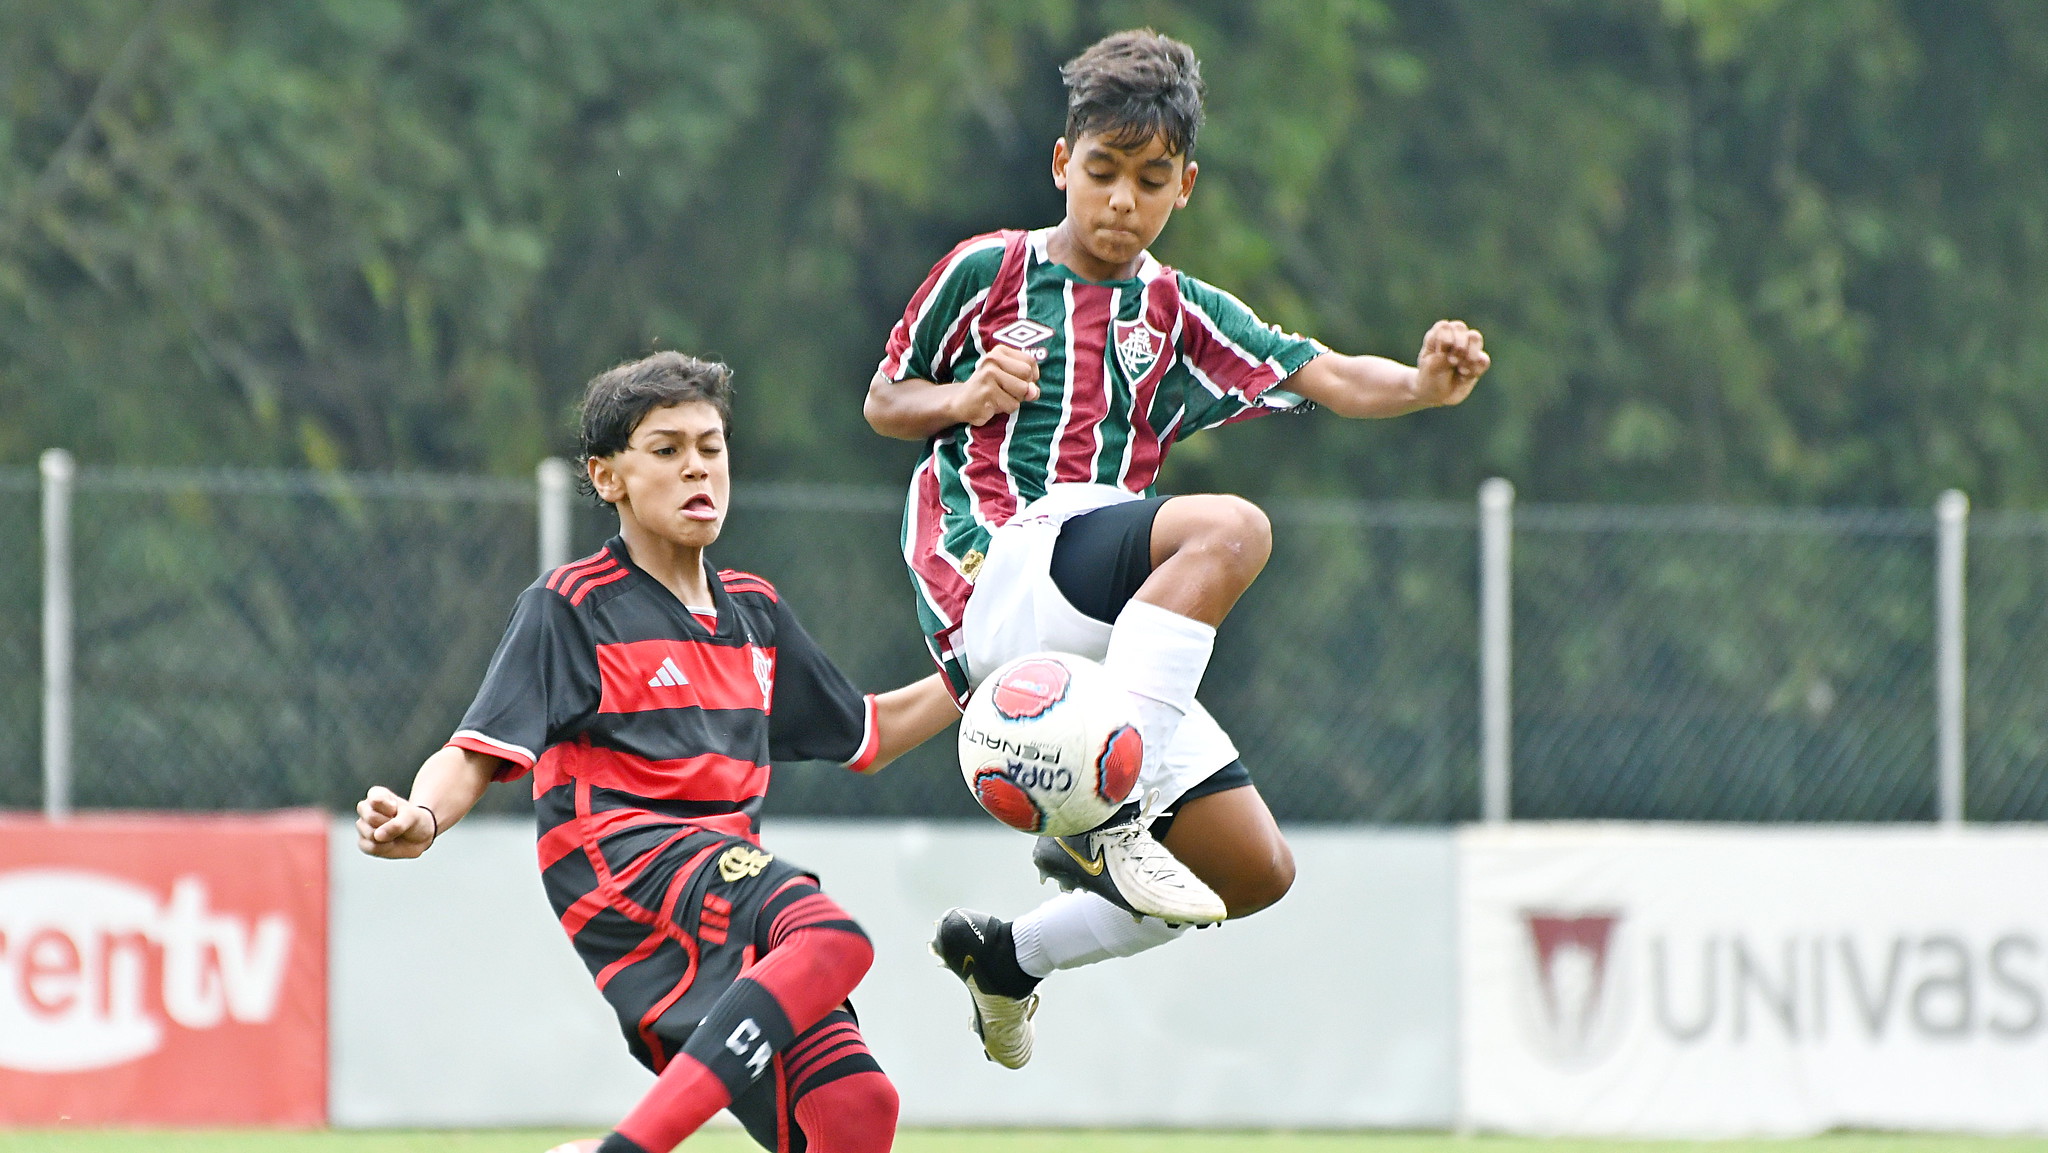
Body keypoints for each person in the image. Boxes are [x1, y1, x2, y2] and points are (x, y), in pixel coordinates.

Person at [864, 28, 1490, 1069]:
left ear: (1183, 186)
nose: (1120, 200)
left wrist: (1424, 385)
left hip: (1100, 631)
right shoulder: (986, 270)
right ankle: (1108, 807)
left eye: (1148, 181)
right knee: (1231, 527)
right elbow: (886, 399)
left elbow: (1326, 373)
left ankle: (1010, 955)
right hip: (996, 577)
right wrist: (967, 394)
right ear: (1061, 164)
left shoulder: (1177, 310)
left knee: (1246, 873)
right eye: (1101, 172)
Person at [358, 352, 959, 1153]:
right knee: (830, 938)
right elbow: (474, 750)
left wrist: (982, 669)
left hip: (720, 885)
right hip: (623, 864)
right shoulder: (572, 606)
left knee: (857, 1109)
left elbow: (870, 733)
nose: (698, 467)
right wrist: (423, 816)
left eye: (712, 447)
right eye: (668, 449)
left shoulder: (755, 613)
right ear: (608, 478)